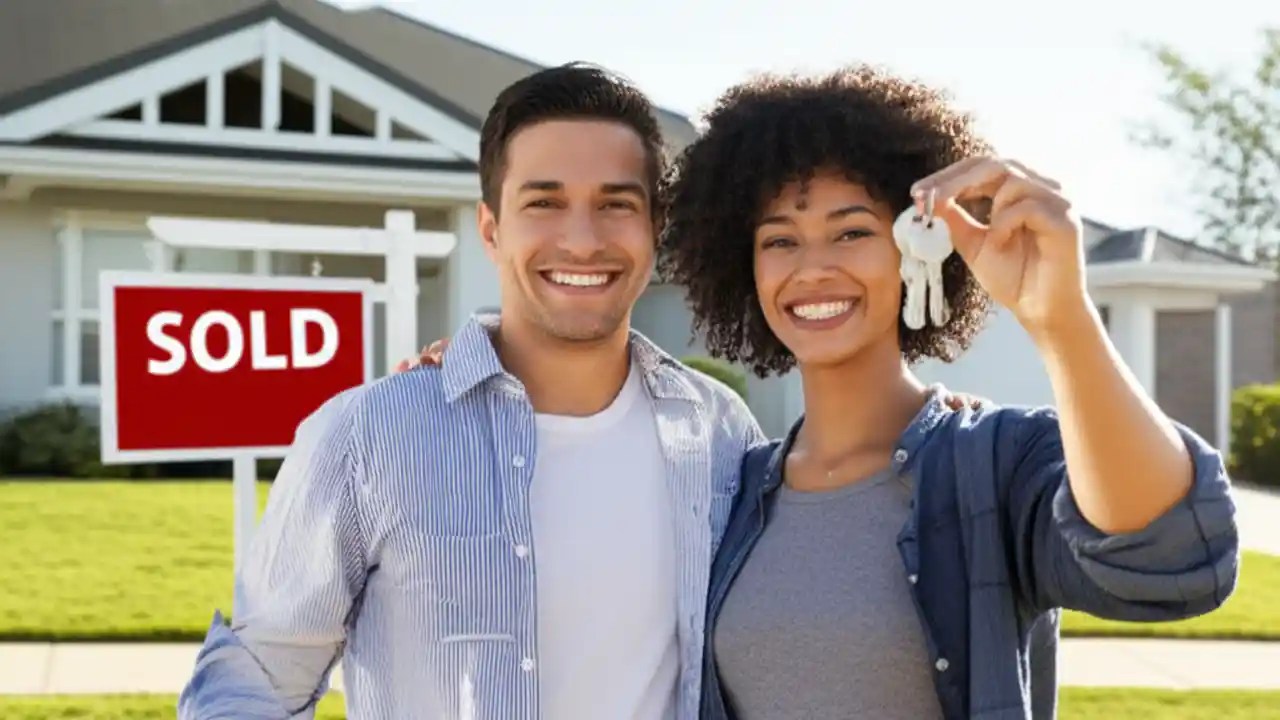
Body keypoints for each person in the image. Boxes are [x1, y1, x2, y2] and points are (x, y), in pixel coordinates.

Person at [176, 62, 767, 720]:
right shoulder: (369, 435)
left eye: (615, 204)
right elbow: (253, 680)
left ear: (655, 229)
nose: (582, 239)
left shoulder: (720, 435)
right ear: (491, 230)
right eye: (544, 202)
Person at [654, 65, 1239, 720]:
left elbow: (1173, 555)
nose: (812, 267)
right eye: (780, 240)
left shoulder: (993, 466)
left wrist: (1061, 321)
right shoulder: (730, 494)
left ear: (918, 248)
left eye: (852, 231)